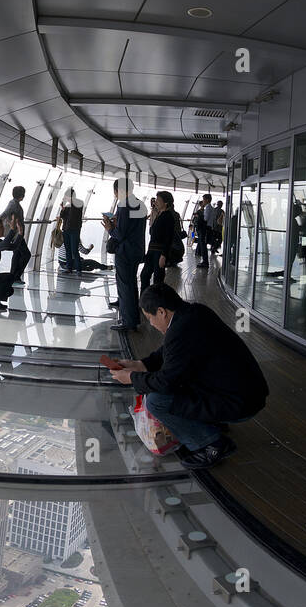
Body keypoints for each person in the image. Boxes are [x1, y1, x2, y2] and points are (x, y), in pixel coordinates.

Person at [106, 283, 266, 467]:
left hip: (239, 402)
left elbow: (166, 382)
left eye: (150, 318)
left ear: (161, 312)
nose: (151, 323)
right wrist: (141, 364)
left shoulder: (182, 328)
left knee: (157, 401)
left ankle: (212, 444)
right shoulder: (194, 313)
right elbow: (170, 351)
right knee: (178, 385)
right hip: (247, 393)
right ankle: (212, 424)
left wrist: (132, 378)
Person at [104, 178, 148, 332]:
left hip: (125, 251)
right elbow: (132, 228)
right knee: (130, 284)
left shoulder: (124, 205)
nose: (115, 194)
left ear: (120, 190)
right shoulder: (139, 204)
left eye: (115, 191)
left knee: (126, 284)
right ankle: (130, 314)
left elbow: (120, 234)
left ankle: (128, 321)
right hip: (136, 250)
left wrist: (110, 228)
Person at [146, 191, 185, 290]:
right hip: (153, 250)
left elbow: (169, 237)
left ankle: (156, 302)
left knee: (157, 279)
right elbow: (152, 231)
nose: (155, 203)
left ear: (166, 203)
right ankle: (145, 300)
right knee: (145, 276)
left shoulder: (169, 216)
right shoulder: (158, 214)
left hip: (159, 251)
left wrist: (164, 255)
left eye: (158, 200)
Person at [53, 191, 89, 274]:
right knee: (68, 249)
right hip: (66, 230)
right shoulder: (68, 206)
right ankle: (69, 268)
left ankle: (78, 269)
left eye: (67, 196)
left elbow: (73, 213)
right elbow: (62, 216)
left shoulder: (79, 203)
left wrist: (68, 202)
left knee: (74, 250)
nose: (65, 198)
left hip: (74, 230)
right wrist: (63, 208)